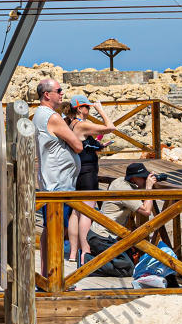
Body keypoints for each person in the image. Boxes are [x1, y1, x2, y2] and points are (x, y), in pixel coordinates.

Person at [33, 77, 84, 277]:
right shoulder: (52, 117)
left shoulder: (38, 114)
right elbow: (77, 146)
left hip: (50, 181)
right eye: (59, 90)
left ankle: (47, 274)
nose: (62, 94)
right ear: (47, 94)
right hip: (58, 183)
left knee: (49, 230)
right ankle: (54, 278)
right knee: (56, 230)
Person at [65, 94, 119, 267]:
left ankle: (73, 252)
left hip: (77, 170)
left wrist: (98, 146)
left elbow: (83, 144)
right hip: (87, 172)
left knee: (76, 212)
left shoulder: (71, 123)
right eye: (87, 107)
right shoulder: (82, 124)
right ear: (80, 108)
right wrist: (101, 110)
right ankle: (85, 251)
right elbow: (110, 127)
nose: (89, 109)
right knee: (87, 211)